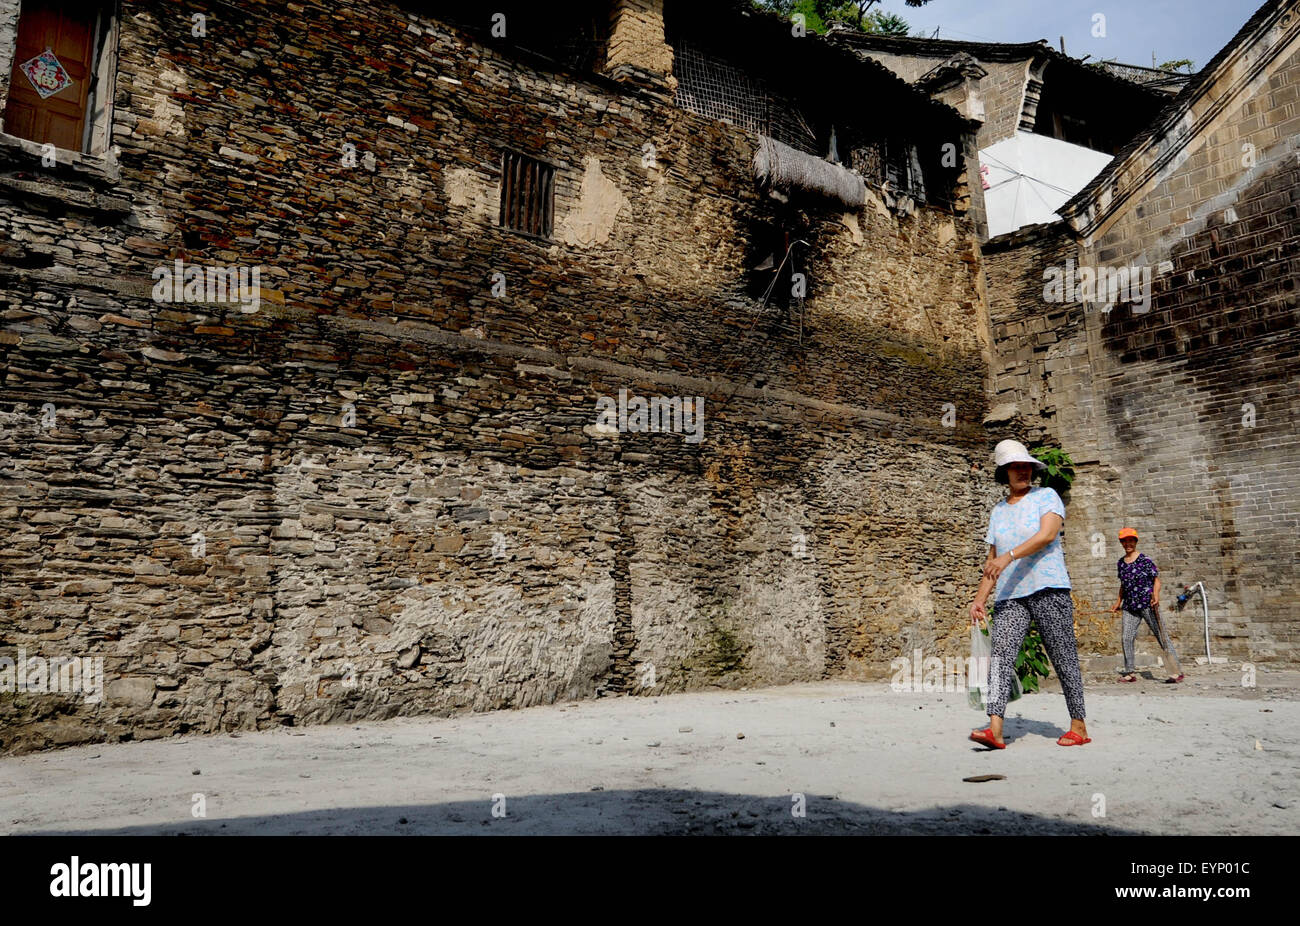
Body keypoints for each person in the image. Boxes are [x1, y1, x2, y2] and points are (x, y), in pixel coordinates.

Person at [967, 440, 1090, 748]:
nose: (1022, 471)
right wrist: (980, 598)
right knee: (1001, 657)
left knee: (1063, 657)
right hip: (1010, 594)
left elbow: (1047, 535)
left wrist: (1009, 556)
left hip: (1049, 588)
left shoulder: (1046, 496)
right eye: (1015, 467)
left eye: (1026, 466)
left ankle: (1079, 725)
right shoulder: (997, 512)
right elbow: (992, 562)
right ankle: (995, 728)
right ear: (1004, 473)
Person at [1111, 528, 1184, 683]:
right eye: (1124, 541)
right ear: (1121, 543)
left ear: (1135, 542)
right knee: (1126, 638)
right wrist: (1118, 602)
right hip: (1129, 607)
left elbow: (1156, 580)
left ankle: (1176, 672)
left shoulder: (1145, 560)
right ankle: (1129, 672)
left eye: (1131, 540)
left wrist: (1156, 596)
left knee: (1162, 636)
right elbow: (1123, 585)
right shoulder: (1121, 563)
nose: (1128, 543)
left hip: (1147, 604)